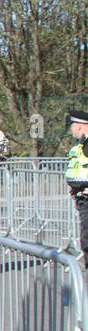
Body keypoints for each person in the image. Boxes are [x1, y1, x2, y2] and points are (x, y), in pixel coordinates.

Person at [66, 110, 88, 264]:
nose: (71, 129)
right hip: (82, 198)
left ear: (80, 126)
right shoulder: (82, 145)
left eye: (72, 126)